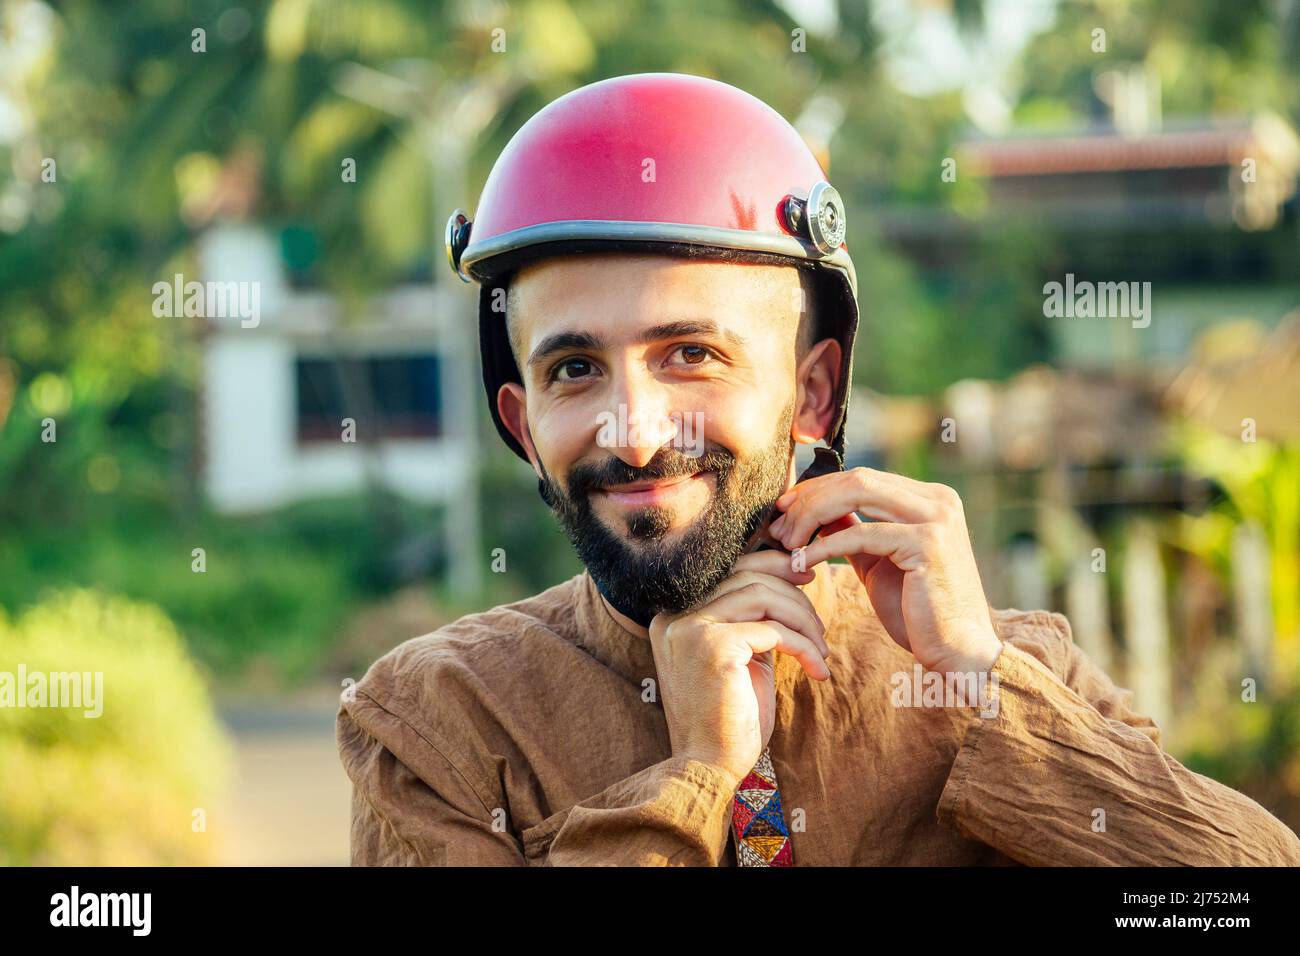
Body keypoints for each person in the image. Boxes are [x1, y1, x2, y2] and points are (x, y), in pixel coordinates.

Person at [336, 73, 1300, 866]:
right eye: (575, 369)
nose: (631, 434)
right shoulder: (436, 725)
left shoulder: (1003, 675)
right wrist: (695, 778)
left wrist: (983, 685)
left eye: (690, 356)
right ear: (522, 421)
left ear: (813, 394)